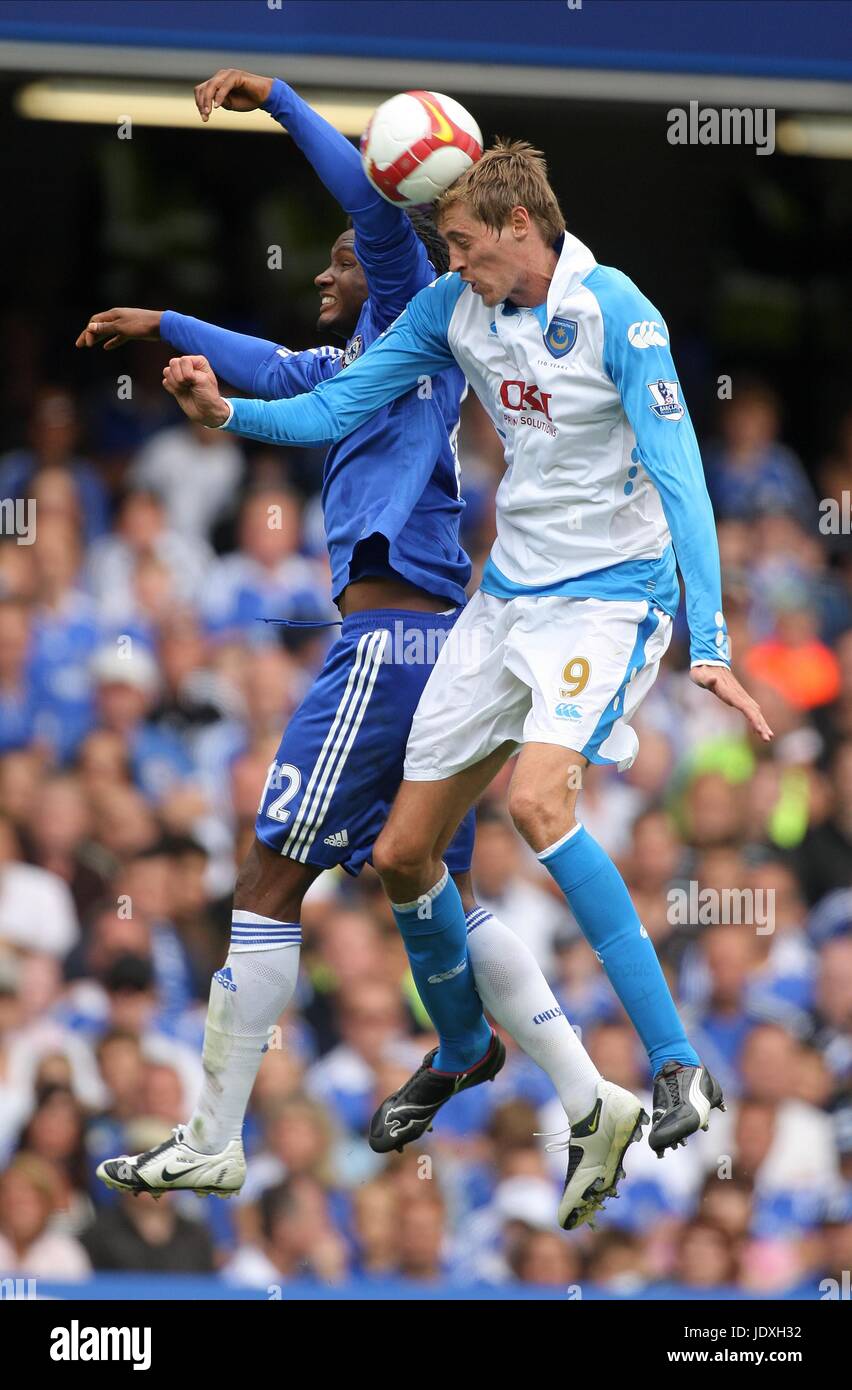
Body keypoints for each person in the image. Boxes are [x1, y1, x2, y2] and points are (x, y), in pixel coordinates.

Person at [79, 72, 639, 1230]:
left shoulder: (407, 310)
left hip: (391, 642)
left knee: (269, 877)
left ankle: (213, 1139)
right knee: (427, 874)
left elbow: (377, 212)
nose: (327, 275)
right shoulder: (354, 370)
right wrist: (166, 329)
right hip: (446, 647)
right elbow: (274, 369)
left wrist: (282, 98)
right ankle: (592, 1095)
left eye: (337, 262)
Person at [164, 135, 777, 1158]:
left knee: (538, 800)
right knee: (404, 854)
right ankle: (461, 1048)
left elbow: (683, 480)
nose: (451, 264)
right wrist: (229, 410)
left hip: (609, 600)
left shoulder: (617, 310)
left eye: (461, 244)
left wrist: (707, 640)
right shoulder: (456, 310)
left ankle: (676, 1061)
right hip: (506, 599)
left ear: (520, 228)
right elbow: (337, 401)